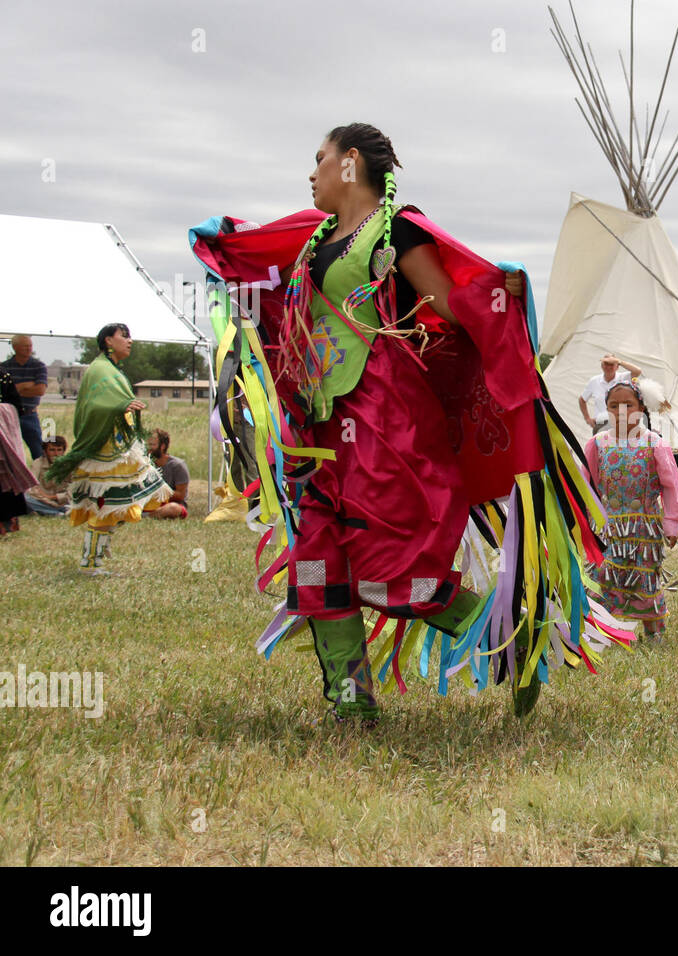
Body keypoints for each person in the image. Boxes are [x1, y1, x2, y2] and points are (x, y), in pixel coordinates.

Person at [190, 122, 625, 724]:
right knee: (316, 562)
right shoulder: (313, 241)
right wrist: (228, 244)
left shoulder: (396, 230)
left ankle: (508, 633)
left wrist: (501, 292)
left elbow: (448, 301)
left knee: (388, 576)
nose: (310, 173)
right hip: (316, 431)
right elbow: (262, 267)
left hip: (384, 425)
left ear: (350, 164)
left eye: (319, 159)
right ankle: (352, 703)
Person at [44, 324, 172, 573]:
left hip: (120, 451)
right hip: (106, 454)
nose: (130, 341)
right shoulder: (100, 369)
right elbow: (93, 405)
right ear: (108, 341)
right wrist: (121, 404)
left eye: (130, 336)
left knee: (124, 505)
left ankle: (98, 550)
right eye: (123, 336)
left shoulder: (111, 369)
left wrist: (124, 406)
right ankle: (90, 561)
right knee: (107, 506)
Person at [583, 382, 678, 641]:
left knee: (644, 577)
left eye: (628, 405)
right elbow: (586, 485)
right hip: (608, 527)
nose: (621, 411)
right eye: (613, 405)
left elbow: (671, 486)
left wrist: (672, 523)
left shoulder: (654, 443)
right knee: (604, 575)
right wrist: (584, 521)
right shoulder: (597, 444)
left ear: (641, 408)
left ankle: (653, 632)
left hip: (644, 528)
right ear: (605, 409)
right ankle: (600, 630)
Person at [0, 369, 37, 533]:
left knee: (4, 477)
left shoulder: (2, 374)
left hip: (2, 429)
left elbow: (15, 405)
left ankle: (7, 522)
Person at [1, 334, 47, 459]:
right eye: (25, 346)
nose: (29, 349)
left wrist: (14, 389)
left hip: (29, 414)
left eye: (30, 346)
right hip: (9, 414)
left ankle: (40, 477)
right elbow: (3, 393)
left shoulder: (39, 366)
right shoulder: (4, 367)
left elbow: (40, 390)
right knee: (7, 453)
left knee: (38, 452)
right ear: (15, 348)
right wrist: (25, 385)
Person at [580, 353, 642, 435]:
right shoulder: (594, 381)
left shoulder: (623, 377)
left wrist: (619, 361)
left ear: (617, 367)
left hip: (621, 423)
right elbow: (582, 400)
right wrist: (587, 419)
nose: (608, 367)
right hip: (601, 424)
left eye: (612, 364)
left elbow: (637, 371)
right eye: (606, 364)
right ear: (601, 365)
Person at [145, 428, 190, 519]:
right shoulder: (144, 464)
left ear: (163, 446)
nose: (148, 448)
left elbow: (180, 495)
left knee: (173, 508)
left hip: (169, 504)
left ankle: (146, 517)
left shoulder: (177, 465)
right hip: (147, 504)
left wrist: (156, 492)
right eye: (147, 445)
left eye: (152, 445)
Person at [24, 435, 71, 516]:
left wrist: (53, 497)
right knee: (24, 498)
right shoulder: (37, 463)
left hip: (64, 501)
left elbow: (75, 490)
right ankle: (56, 513)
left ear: (64, 451)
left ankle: (49, 511)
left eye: (59, 450)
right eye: (52, 450)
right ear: (45, 451)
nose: (56, 454)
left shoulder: (70, 465)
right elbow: (31, 488)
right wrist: (46, 499)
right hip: (42, 501)